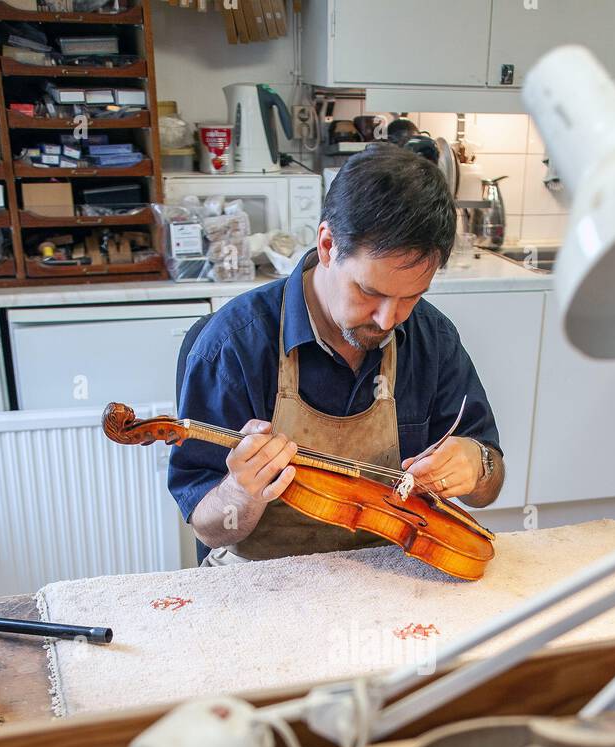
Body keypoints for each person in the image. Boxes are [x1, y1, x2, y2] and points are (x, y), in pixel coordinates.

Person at [169, 143, 505, 564]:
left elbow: (491, 478)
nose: (388, 320)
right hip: (264, 576)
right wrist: (240, 491)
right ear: (328, 246)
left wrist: (477, 465)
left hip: (390, 568)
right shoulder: (233, 346)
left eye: (411, 297)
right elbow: (207, 524)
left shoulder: (431, 337)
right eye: (370, 292)